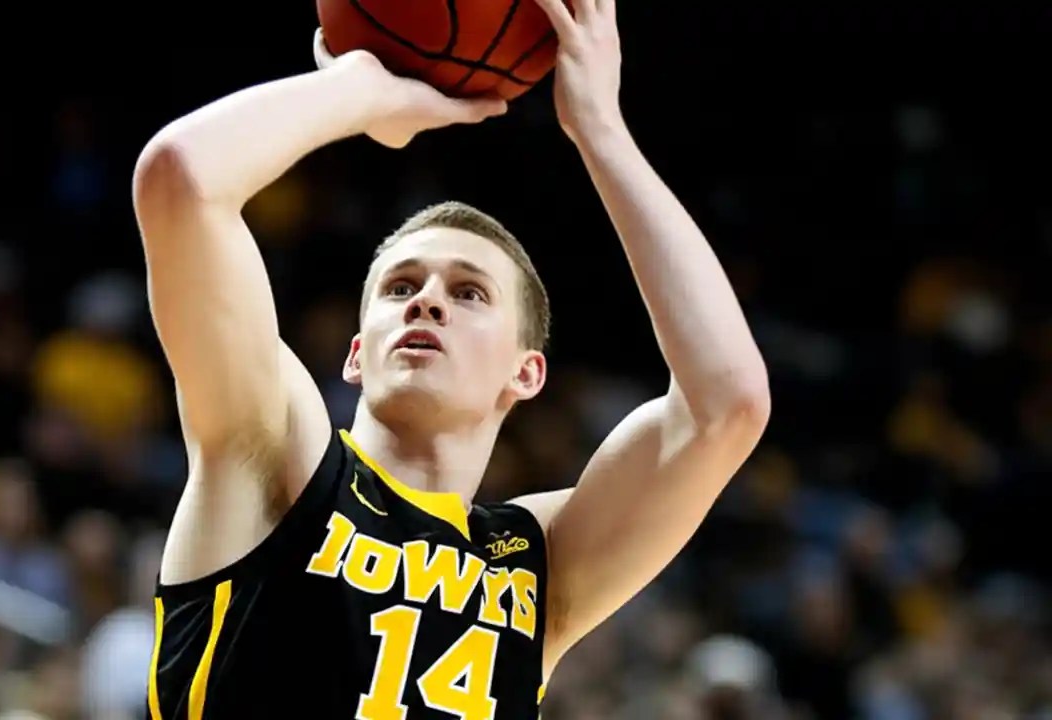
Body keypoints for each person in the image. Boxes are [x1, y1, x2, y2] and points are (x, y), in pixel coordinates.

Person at [131, 0, 770, 716]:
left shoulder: (539, 566)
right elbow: (182, 180)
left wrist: (600, 131)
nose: (426, 302)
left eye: (468, 294)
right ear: (355, 355)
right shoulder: (278, 458)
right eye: (401, 286)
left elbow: (728, 403)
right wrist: (364, 89)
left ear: (525, 372)